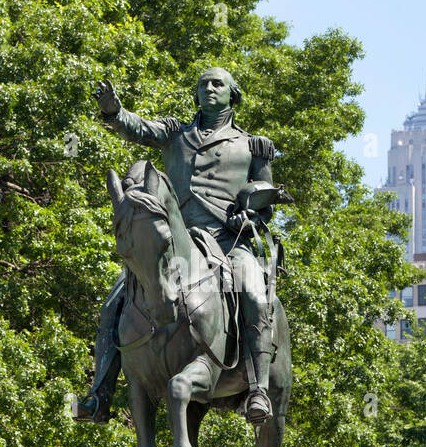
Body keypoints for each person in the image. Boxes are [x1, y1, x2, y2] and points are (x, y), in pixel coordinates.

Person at [76, 67, 280, 424]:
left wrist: (250, 218)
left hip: (227, 241)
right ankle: (100, 393)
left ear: (233, 93)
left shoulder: (253, 146)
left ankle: (258, 389)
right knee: (114, 300)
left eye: (218, 84)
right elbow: (137, 128)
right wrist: (114, 112)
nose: (209, 88)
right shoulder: (175, 134)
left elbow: (266, 203)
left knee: (254, 293)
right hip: (175, 242)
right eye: (203, 84)